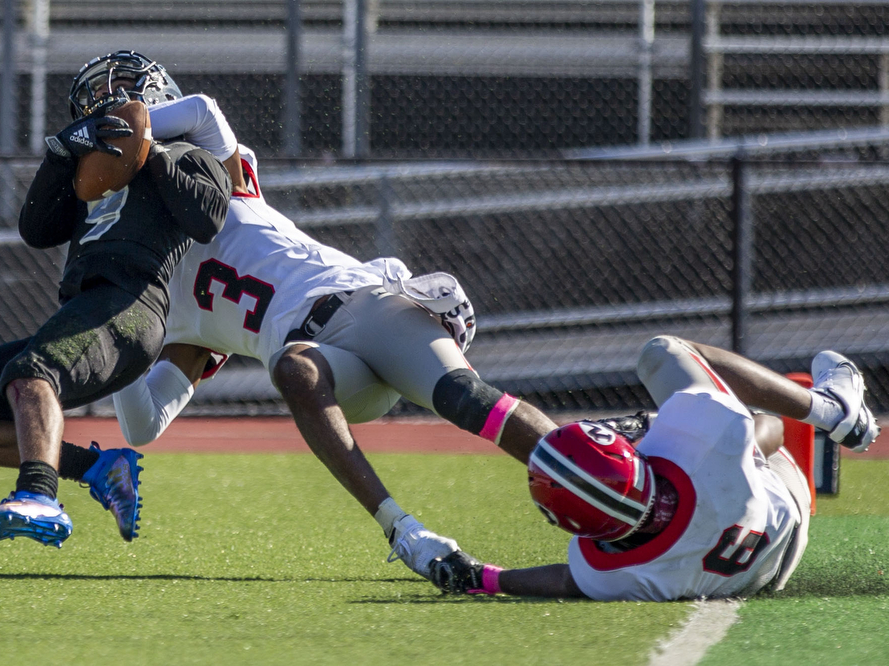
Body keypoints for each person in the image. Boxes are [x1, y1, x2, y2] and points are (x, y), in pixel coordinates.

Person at [108, 96, 871, 580]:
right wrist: (122, 344)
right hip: (322, 355)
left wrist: (132, 129)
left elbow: (201, 110)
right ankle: (402, 530)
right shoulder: (155, 301)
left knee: (468, 399)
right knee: (296, 374)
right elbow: (143, 424)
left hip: (366, 302)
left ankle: (639, 493)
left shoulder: (223, 180)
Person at [0, 52, 232, 548]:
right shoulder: (94, 166)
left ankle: (38, 497)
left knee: (32, 374)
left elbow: (207, 219)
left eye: (125, 90)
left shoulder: (193, 155)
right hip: (83, 310)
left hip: (131, 306)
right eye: (101, 96)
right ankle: (100, 467)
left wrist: (151, 149)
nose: (111, 100)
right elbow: (37, 230)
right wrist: (60, 154)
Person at [426, 337, 879, 600]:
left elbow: (565, 581)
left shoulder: (607, 572)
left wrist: (486, 578)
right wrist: (664, 426)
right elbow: (771, 428)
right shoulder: (700, 442)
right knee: (663, 350)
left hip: (762, 578)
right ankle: (832, 409)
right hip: (786, 504)